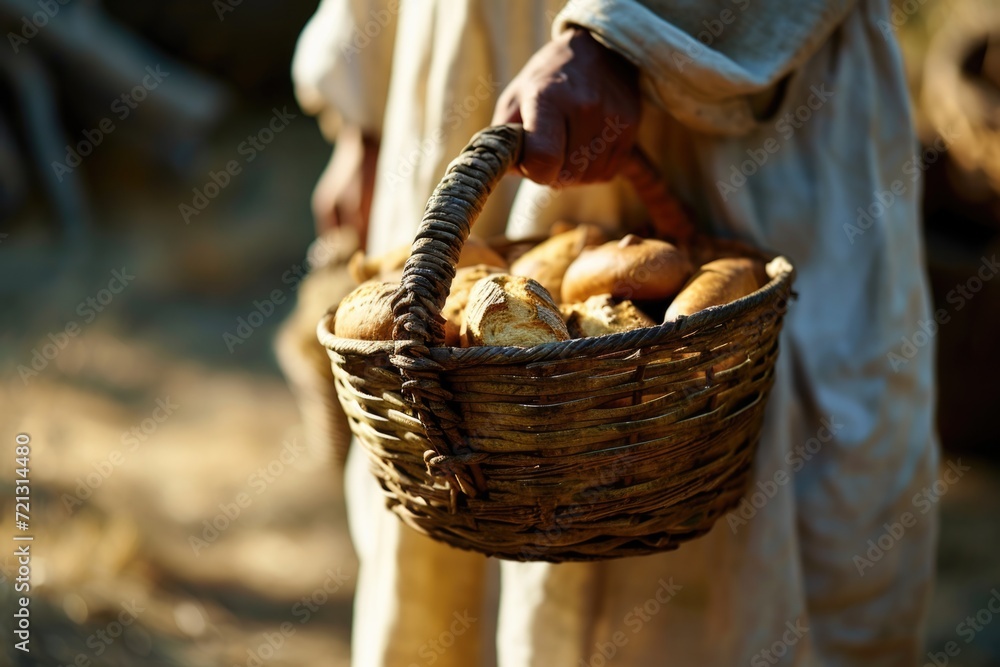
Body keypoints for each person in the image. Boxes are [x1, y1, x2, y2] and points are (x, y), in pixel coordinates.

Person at [290, 1, 940, 665]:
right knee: (462, 543)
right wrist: (363, 118)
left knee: (775, 494)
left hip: (744, 90)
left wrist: (620, 34)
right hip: (470, 68)